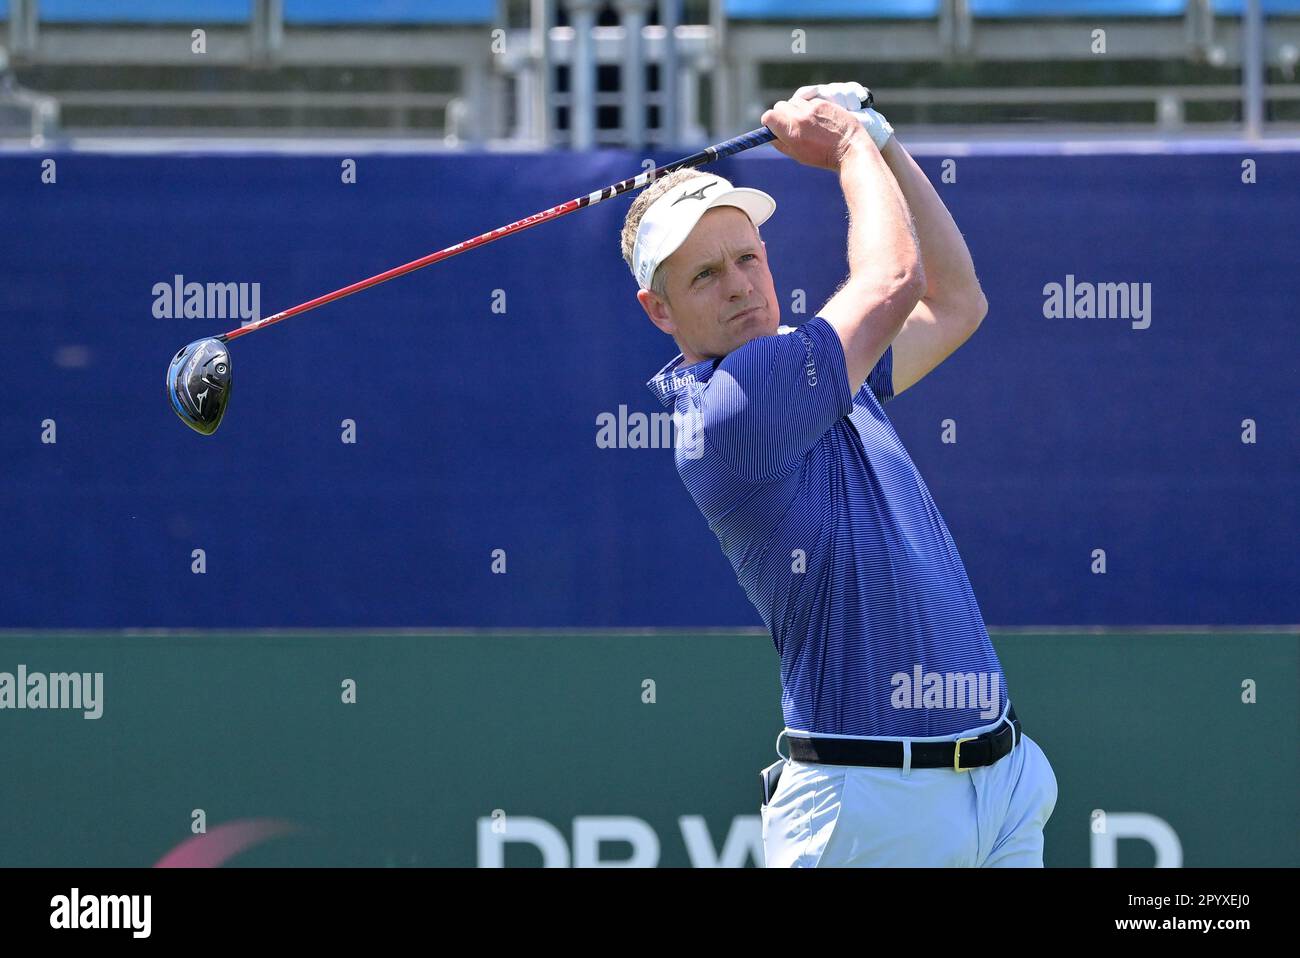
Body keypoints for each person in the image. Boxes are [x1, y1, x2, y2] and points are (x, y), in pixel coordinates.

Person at [619, 82, 1057, 867]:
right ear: (660, 311)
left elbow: (954, 302)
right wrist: (848, 147)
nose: (741, 285)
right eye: (705, 276)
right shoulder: (733, 410)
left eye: (748, 258)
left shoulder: (817, 366)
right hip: (867, 808)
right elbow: (891, 284)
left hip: (999, 780)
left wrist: (881, 140)